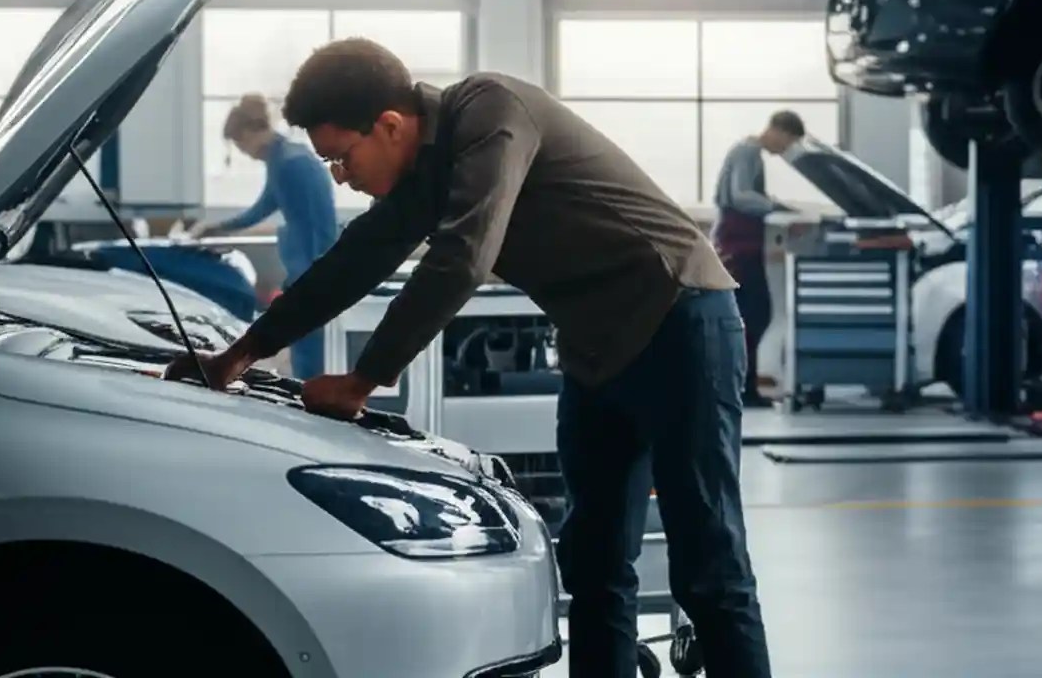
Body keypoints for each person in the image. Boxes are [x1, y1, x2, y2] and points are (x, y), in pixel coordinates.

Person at [165, 38, 773, 678]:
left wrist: (365, 379)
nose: (340, 176)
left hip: (679, 318)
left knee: (708, 562)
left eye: (341, 159)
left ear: (391, 125)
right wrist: (237, 357)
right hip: (598, 348)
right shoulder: (421, 173)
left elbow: (464, 253)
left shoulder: (491, 112)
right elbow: (354, 260)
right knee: (593, 562)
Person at [195, 93, 339, 380]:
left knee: (310, 358)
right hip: (306, 266)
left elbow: (316, 227)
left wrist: (311, 278)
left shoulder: (292, 164)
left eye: (241, 143)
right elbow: (264, 206)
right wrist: (222, 227)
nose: (244, 151)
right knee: (304, 351)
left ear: (251, 132)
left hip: (310, 269)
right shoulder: (285, 159)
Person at [710, 110, 805, 407]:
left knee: (751, 314)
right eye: (788, 142)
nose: (784, 150)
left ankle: (743, 385)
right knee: (753, 314)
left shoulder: (746, 151)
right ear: (779, 130)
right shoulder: (748, 152)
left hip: (742, 242)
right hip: (739, 244)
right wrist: (776, 206)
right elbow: (740, 196)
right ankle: (742, 388)